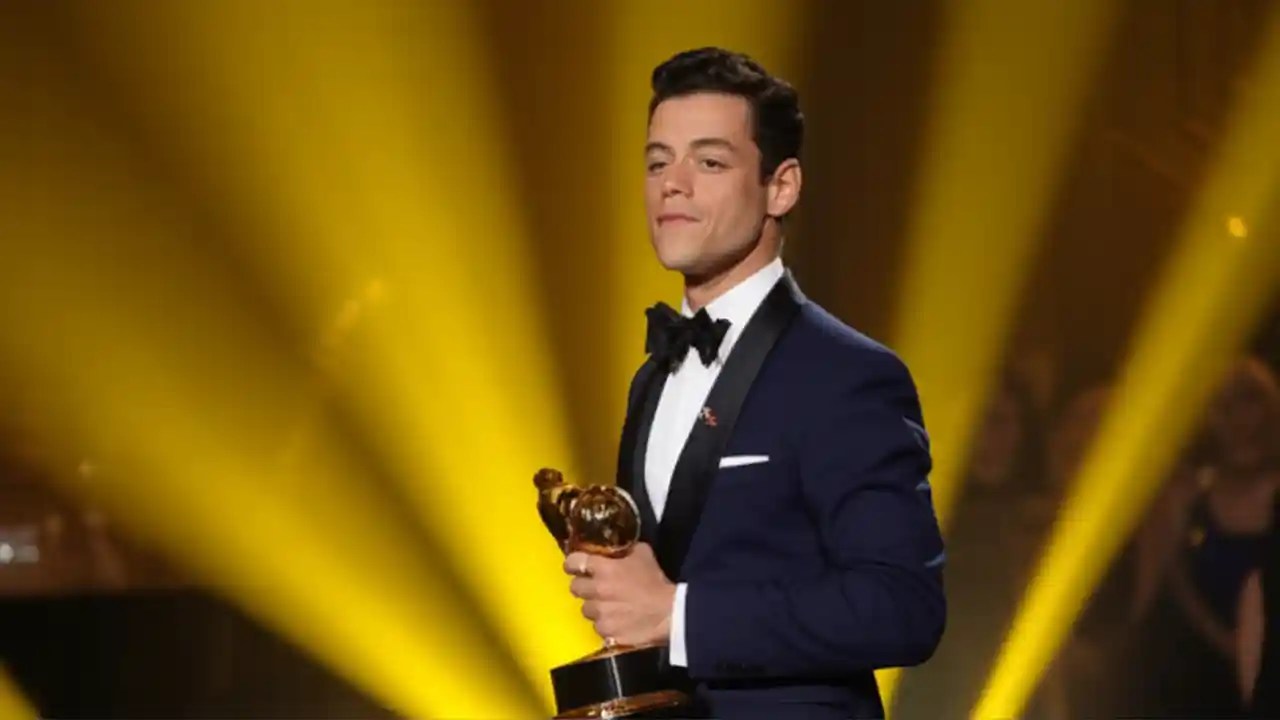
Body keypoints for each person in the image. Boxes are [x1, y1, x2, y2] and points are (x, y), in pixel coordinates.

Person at [560, 47, 946, 719]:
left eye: (708, 162)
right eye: (657, 162)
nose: (672, 184)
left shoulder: (847, 375)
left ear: (782, 186)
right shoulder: (651, 378)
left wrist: (678, 614)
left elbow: (902, 607)